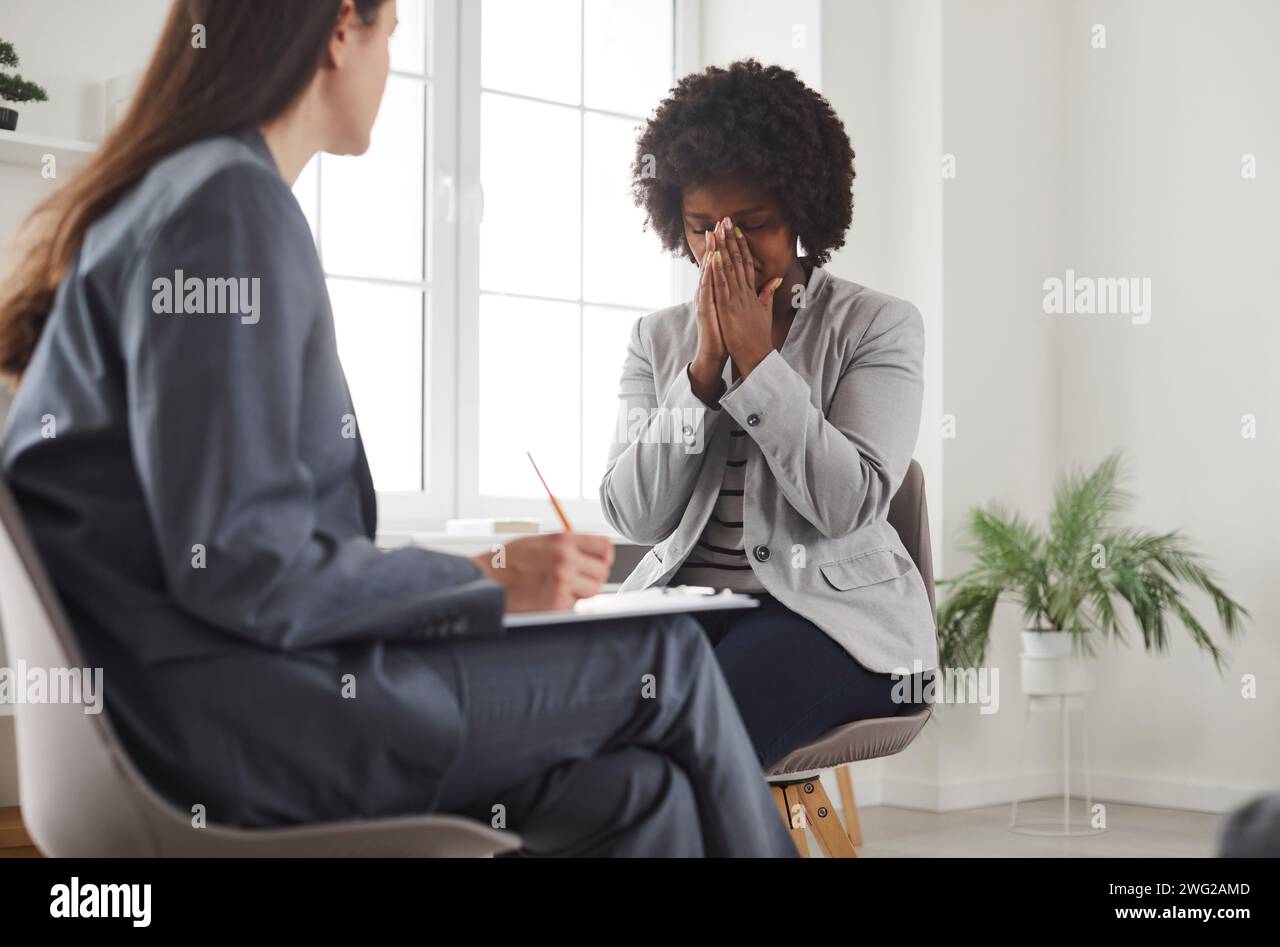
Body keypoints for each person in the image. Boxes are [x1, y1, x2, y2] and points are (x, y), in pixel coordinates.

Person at [0, 1, 796, 858]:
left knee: (641, 796)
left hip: (183, 708)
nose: (389, 63)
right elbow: (241, 563)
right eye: (394, 34)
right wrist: (488, 580)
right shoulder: (226, 205)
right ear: (343, 27)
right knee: (668, 656)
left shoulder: (176, 198)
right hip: (224, 722)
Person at [601, 60, 937, 770]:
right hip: (689, 604)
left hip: (830, 620)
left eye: (753, 225)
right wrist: (699, 374)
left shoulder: (878, 326)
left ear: (804, 213)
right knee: (563, 731)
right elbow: (632, 515)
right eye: (700, 227)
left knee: (696, 739)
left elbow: (848, 504)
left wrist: (759, 366)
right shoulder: (655, 340)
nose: (723, 249)